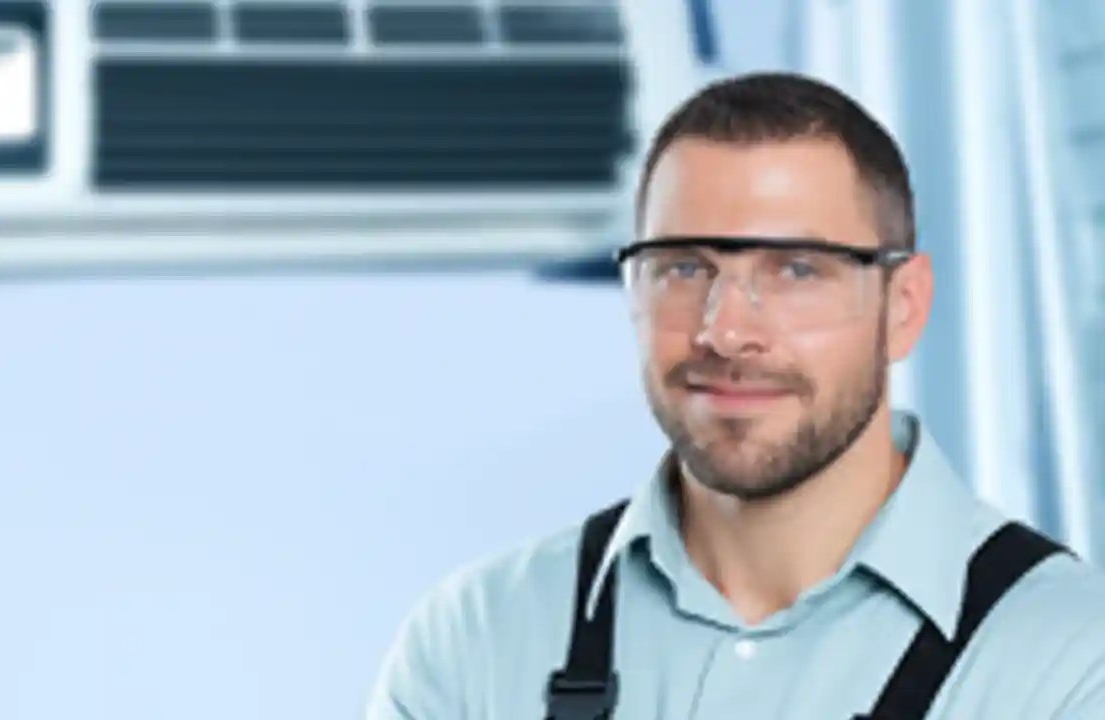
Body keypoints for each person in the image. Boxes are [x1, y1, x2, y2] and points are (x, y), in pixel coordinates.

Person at [364, 73, 1105, 719]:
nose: (726, 332)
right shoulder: (476, 642)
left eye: (798, 270)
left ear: (903, 306)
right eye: (683, 268)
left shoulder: (1069, 660)